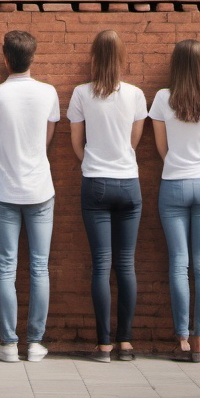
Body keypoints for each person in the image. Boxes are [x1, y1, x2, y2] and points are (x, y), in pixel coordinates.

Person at [68, 30, 146, 363]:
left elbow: (76, 142)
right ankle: (125, 343)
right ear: (122, 58)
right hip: (128, 183)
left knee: (101, 265)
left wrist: (91, 162)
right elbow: (134, 141)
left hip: (95, 182)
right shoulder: (136, 94)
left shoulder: (80, 93)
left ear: (94, 58)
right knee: (125, 265)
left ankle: (103, 346)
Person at [149, 39, 200, 363]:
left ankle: (182, 339)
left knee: (179, 263)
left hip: (174, 184)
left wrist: (177, 164)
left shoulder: (162, 98)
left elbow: (161, 148)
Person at [0, 30, 60, 363]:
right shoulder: (48, 93)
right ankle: (35, 344)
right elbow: (47, 139)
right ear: (33, 57)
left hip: (5, 188)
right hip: (40, 188)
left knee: (6, 267)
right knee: (39, 267)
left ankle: (9, 344)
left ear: (5, 58)